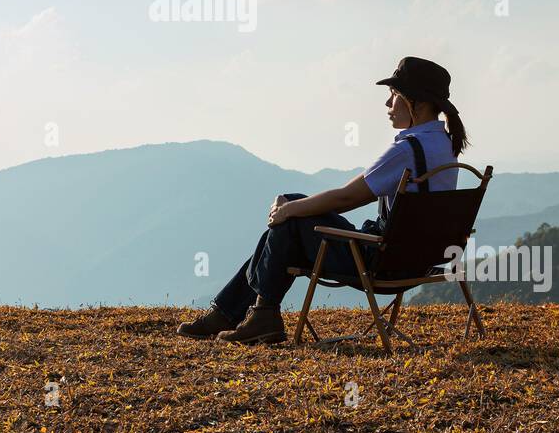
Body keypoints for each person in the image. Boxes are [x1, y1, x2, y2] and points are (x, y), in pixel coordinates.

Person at [177, 56, 469, 345]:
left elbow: (345, 198)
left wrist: (288, 209)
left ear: (415, 101)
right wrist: (291, 207)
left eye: (393, 96)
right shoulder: (445, 144)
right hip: (418, 259)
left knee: (289, 220)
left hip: (382, 262)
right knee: (288, 219)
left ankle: (250, 314)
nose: (387, 105)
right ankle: (245, 314)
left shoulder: (407, 150)